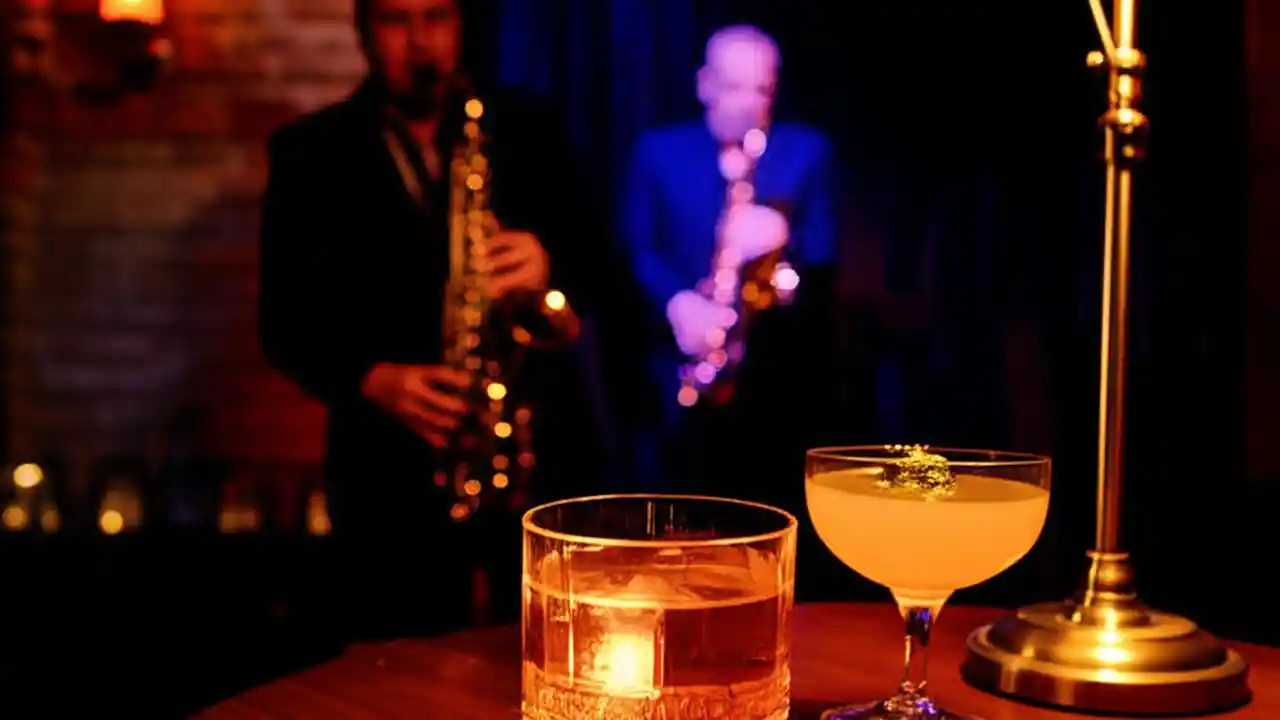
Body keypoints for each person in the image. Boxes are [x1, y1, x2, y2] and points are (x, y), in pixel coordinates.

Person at [258, 0, 595, 643]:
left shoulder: (528, 129)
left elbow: (602, 267)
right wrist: (372, 378)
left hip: (526, 455)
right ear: (363, 32)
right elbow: (281, 324)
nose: (420, 42)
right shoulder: (309, 152)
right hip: (384, 469)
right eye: (396, 20)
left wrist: (548, 264)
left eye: (437, 17)